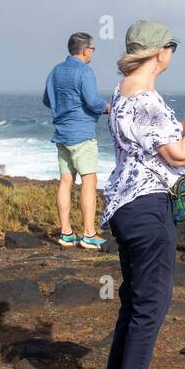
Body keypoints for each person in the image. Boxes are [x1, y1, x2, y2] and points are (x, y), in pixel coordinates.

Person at [101, 19, 185, 369]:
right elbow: (182, 154)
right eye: (171, 46)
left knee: (135, 298)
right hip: (148, 210)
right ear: (159, 53)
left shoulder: (124, 93)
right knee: (151, 300)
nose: (172, 53)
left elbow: (162, 141)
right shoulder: (146, 100)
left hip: (124, 206)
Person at [42, 32, 110, 248]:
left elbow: (47, 99)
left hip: (62, 133)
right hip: (81, 134)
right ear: (85, 50)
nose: (92, 53)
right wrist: (108, 108)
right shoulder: (85, 71)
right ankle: (89, 235)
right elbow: (92, 102)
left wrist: (62, 109)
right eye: (92, 49)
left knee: (66, 181)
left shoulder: (56, 71)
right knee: (89, 181)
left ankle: (66, 233)